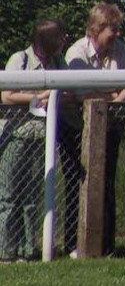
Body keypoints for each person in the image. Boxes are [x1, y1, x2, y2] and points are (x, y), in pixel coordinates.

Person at [64, 2, 125, 256]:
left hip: (110, 126)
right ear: (96, 29)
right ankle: (73, 243)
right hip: (77, 130)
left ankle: (106, 244)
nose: (116, 34)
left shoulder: (119, 50)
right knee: (77, 184)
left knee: (107, 186)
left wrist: (114, 100)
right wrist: (111, 93)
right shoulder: (76, 53)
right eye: (112, 28)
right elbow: (81, 92)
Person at [0, 20, 66, 263]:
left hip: (44, 139)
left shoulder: (59, 63)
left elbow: (68, 89)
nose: (63, 42)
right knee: (9, 197)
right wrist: (39, 98)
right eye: (59, 37)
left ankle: (28, 251)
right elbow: (7, 95)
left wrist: (56, 95)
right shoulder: (20, 61)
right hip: (17, 137)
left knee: (31, 199)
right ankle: (6, 251)